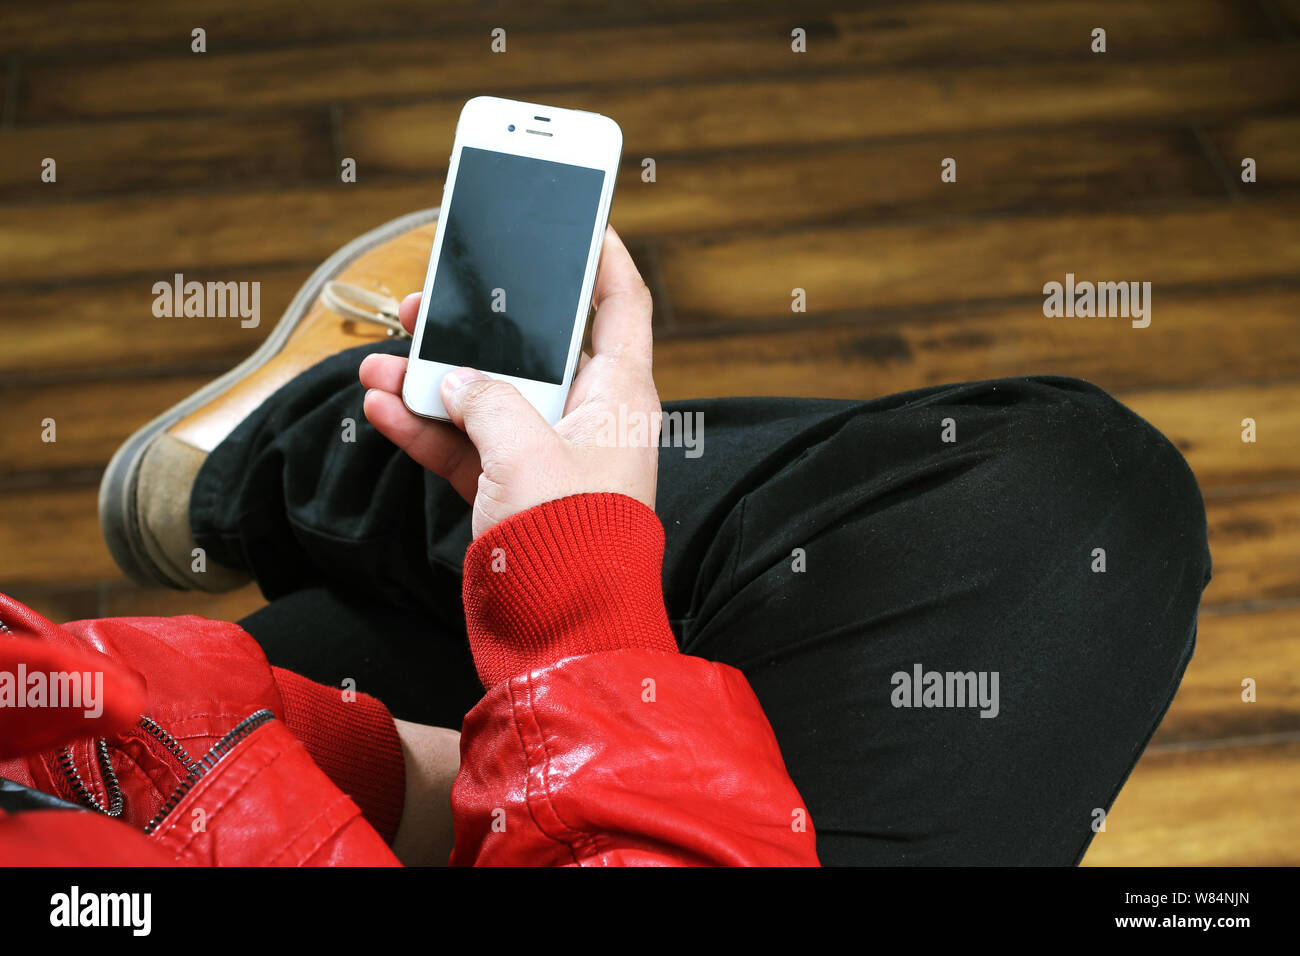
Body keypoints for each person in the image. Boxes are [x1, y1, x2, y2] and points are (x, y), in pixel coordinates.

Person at [1, 224, 1211, 866]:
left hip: (210, 783)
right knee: (1077, 495)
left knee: (358, 638)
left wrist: (492, 755)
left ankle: (288, 469)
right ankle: (289, 454)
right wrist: (582, 613)